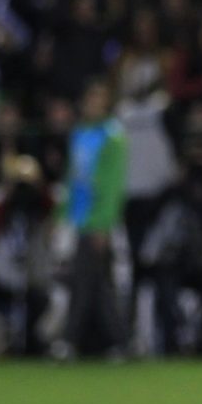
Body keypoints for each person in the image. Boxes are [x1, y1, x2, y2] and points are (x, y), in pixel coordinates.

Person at [60, 79, 127, 359]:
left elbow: (113, 184)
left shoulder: (113, 136)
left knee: (87, 281)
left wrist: (103, 224)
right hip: (79, 218)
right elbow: (72, 178)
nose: (94, 104)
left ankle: (70, 340)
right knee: (95, 282)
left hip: (97, 221)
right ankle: (116, 341)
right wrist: (61, 215)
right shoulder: (78, 133)